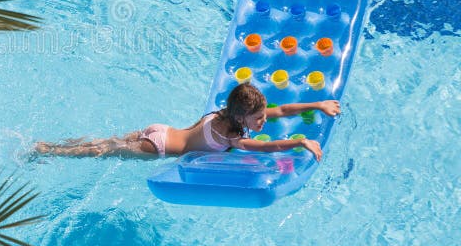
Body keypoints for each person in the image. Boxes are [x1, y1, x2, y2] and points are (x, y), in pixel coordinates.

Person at [33, 83, 341, 160]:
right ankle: (48, 151)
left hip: (161, 129)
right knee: (99, 151)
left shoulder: (224, 114)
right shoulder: (231, 136)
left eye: (263, 116)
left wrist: (319, 104)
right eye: (258, 118)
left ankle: (52, 144)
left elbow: (284, 110)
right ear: (240, 117)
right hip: (160, 147)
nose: (264, 121)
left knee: (103, 141)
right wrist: (300, 141)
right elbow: (266, 148)